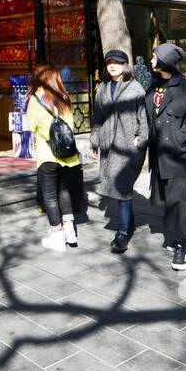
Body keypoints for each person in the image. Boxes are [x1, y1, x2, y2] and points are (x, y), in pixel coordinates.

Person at [144, 42, 186, 270]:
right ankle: (179, 238)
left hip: (181, 155)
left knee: (180, 202)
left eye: (154, 57)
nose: (151, 60)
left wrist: (182, 138)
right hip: (159, 155)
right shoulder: (153, 85)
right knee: (168, 201)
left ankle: (181, 247)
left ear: (165, 61)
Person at [24, 63, 88, 251]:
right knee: (64, 192)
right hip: (69, 157)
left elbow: (30, 125)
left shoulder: (37, 99)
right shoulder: (64, 98)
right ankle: (70, 233)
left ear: (39, 78)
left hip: (48, 156)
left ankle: (57, 236)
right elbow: (71, 126)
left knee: (50, 197)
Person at [91, 50, 149, 254]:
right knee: (117, 189)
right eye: (109, 63)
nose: (113, 66)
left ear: (125, 65)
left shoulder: (136, 88)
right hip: (108, 143)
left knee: (123, 189)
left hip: (127, 145)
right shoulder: (102, 89)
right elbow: (97, 116)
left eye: (117, 62)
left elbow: (144, 117)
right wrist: (95, 139)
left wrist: (141, 139)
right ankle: (129, 223)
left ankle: (122, 233)